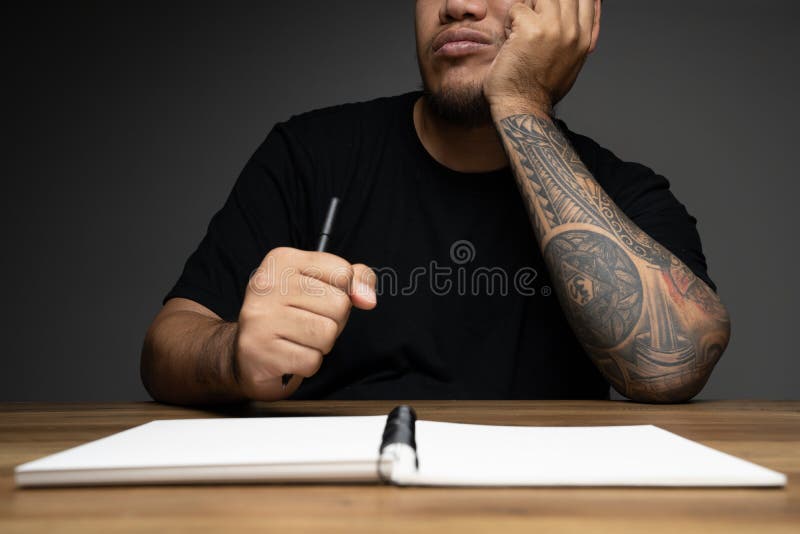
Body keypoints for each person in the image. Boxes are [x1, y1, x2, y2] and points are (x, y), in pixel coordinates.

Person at [141, 0, 730, 405]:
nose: (457, 5)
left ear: (570, 15)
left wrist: (520, 102)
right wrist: (233, 355)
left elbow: (672, 366)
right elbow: (167, 343)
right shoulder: (312, 153)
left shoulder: (624, 194)